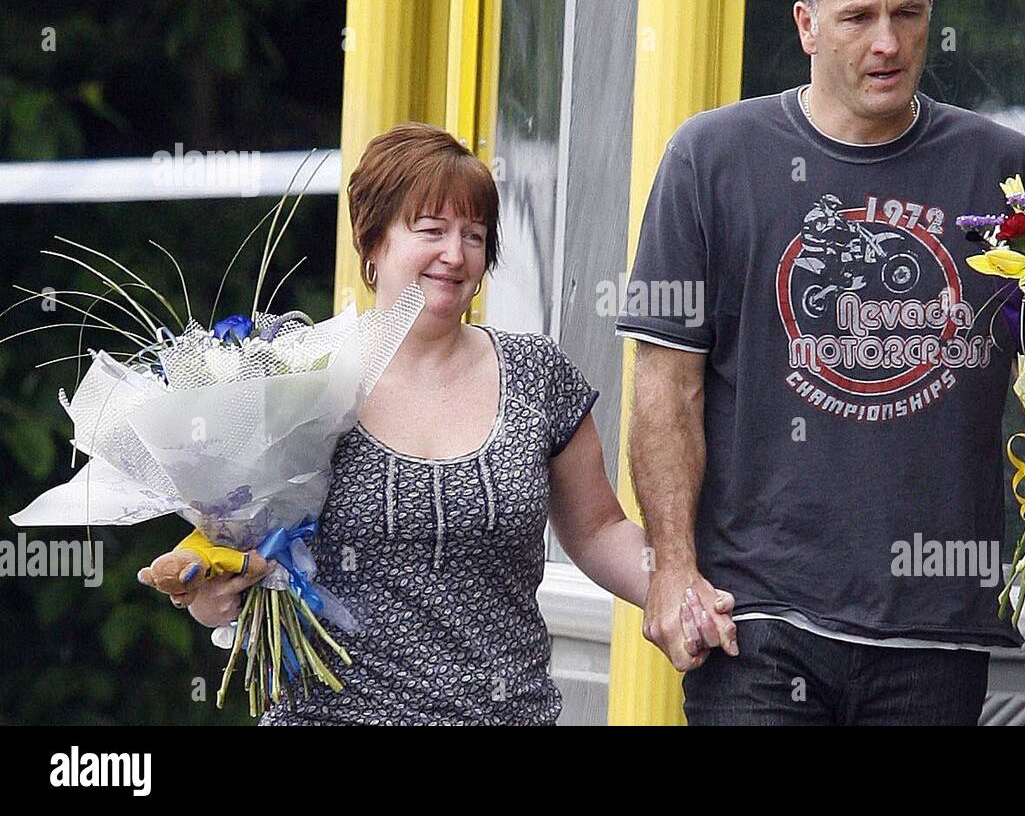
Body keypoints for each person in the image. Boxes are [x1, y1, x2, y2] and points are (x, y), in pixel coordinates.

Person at [617, 0, 1025, 725]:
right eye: (858, 17)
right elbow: (663, 386)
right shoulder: (712, 158)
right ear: (806, 23)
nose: (887, 43)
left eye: (908, 13)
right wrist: (671, 567)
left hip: (937, 629)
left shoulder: (1002, 168)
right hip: (758, 621)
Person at [140, 122, 735, 724]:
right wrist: (213, 596)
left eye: (473, 236)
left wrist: (682, 589)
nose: (455, 255)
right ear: (372, 242)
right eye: (431, 231)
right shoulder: (299, 376)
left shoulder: (537, 374)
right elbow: (235, 555)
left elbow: (599, 528)